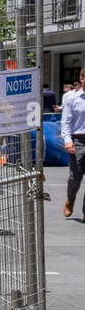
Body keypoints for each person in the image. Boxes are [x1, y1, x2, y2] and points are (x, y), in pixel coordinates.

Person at [61, 68, 85, 218]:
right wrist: (68, 140)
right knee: (75, 177)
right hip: (78, 140)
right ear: (82, 78)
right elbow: (66, 121)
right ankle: (70, 200)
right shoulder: (72, 98)